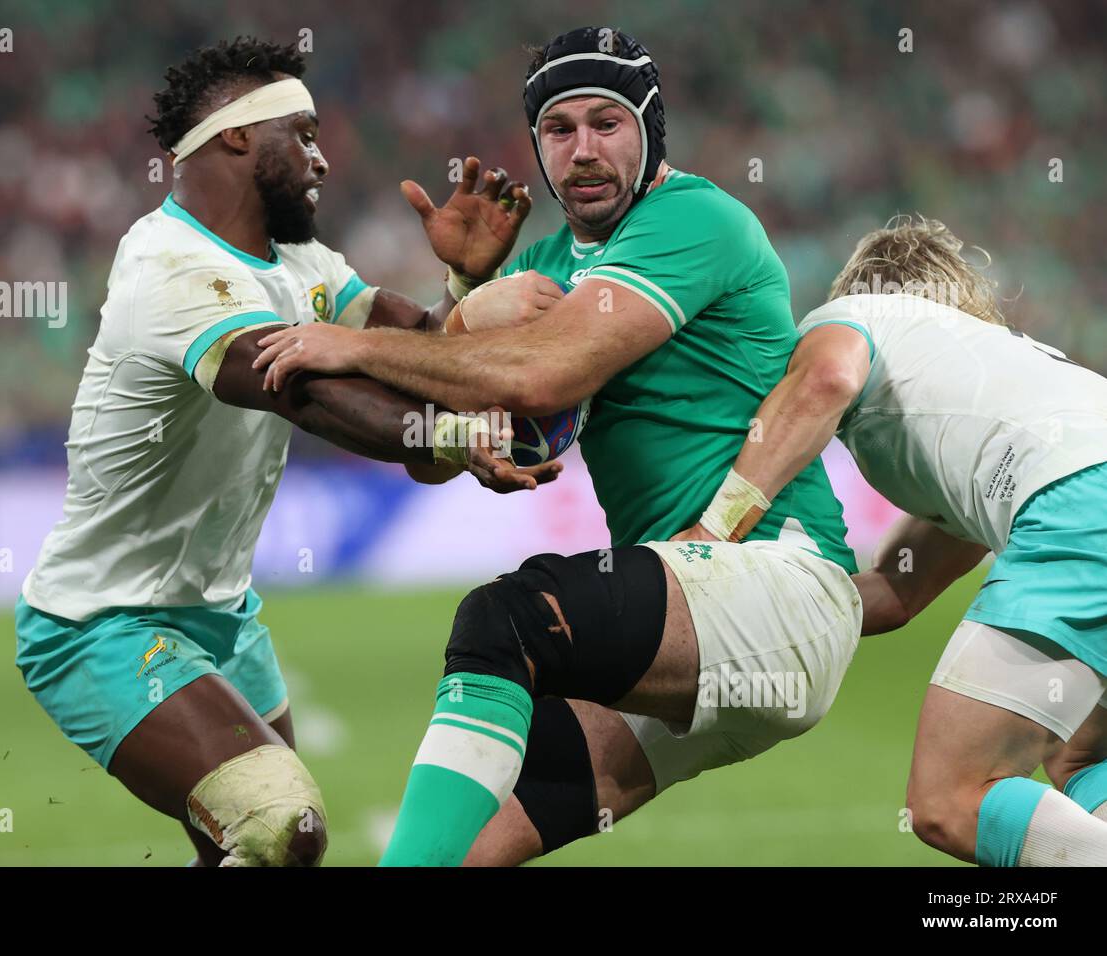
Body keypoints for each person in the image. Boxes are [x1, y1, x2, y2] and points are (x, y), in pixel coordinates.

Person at [254, 26, 862, 866]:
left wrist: (352, 344)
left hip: (773, 585)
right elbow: (431, 459)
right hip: (698, 617)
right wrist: (465, 296)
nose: (582, 150)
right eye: (558, 128)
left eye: (606, 123)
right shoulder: (541, 262)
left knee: (507, 619)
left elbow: (543, 374)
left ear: (650, 130)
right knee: (467, 846)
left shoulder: (694, 218)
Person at [15, 35, 555, 868]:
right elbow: (296, 385)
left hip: (219, 614)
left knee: (250, 846)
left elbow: (414, 349)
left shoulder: (300, 262)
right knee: (281, 829)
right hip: (101, 623)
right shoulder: (167, 264)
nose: (322, 159)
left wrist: (462, 292)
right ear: (236, 137)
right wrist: (450, 432)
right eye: (301, 134)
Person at [682, 215, 1107, 865]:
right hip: (1079, 493)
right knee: (1083, 753)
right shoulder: (997, 397)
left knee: (948, 801)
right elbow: (893, 594)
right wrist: (752, 616)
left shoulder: (860, 312)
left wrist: (712, 536)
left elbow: (826, 380)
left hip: (1080, 502)